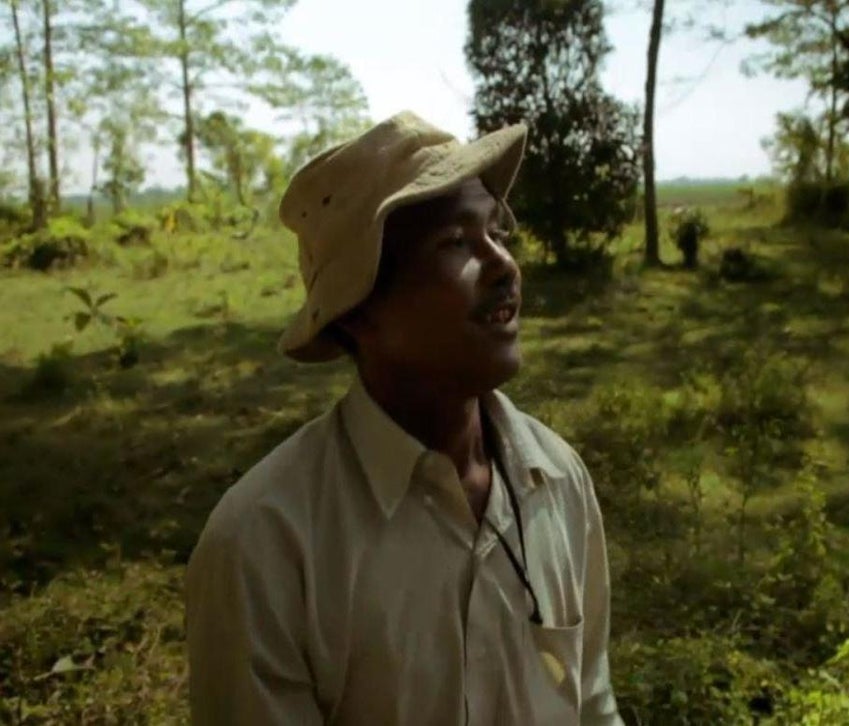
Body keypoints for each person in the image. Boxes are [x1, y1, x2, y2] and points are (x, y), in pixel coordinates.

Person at [185, 111, 623, 725]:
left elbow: (592, 704)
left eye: (496, 231)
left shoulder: (557, 480)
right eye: (455, 243)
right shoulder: (264, 546)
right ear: (358, 311)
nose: (503, 265)